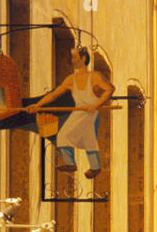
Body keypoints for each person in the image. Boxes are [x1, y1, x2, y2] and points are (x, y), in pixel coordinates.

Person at [30, 45, 114, 180]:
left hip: (90, 113)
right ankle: (89, 166)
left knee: (81, 137)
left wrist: (96, 105)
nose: (72, 61)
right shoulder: (70, 79)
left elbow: (109, 89)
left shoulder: (95, 76)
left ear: (83, 58)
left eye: (75, 57)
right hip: (79, 111)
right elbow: (53, 95)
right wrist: (38, 105)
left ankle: (81, 165)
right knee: (80, 137)